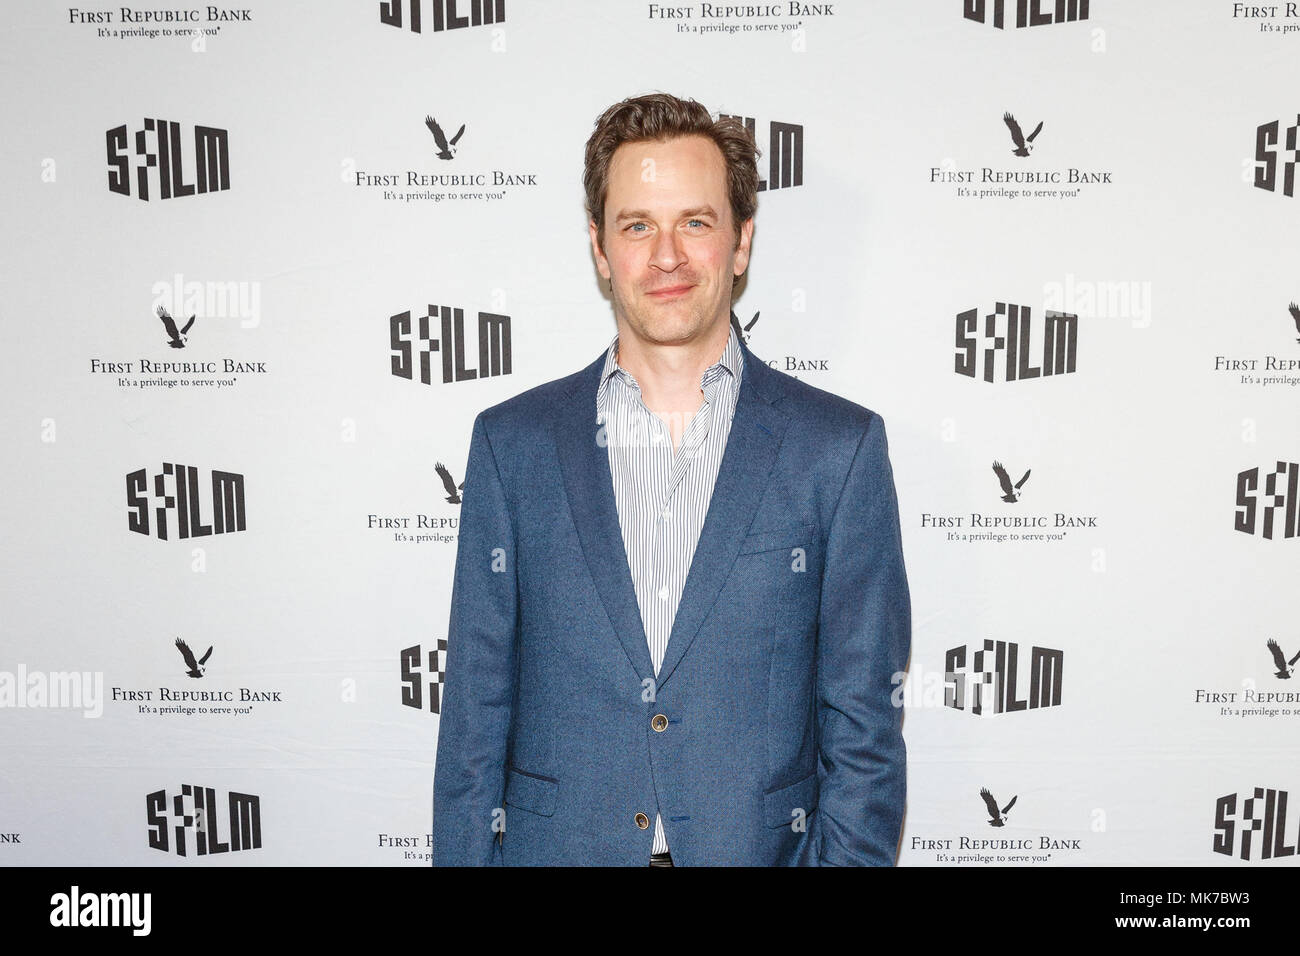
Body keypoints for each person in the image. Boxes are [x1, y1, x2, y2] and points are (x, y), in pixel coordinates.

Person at [432, 92, 911, 866]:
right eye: (636, 225)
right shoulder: (512, 446)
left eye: (695, 222)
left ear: (741, 241)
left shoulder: (838, 449)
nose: (666, 256)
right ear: (598, 247)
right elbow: (472, 725)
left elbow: (865, 733)